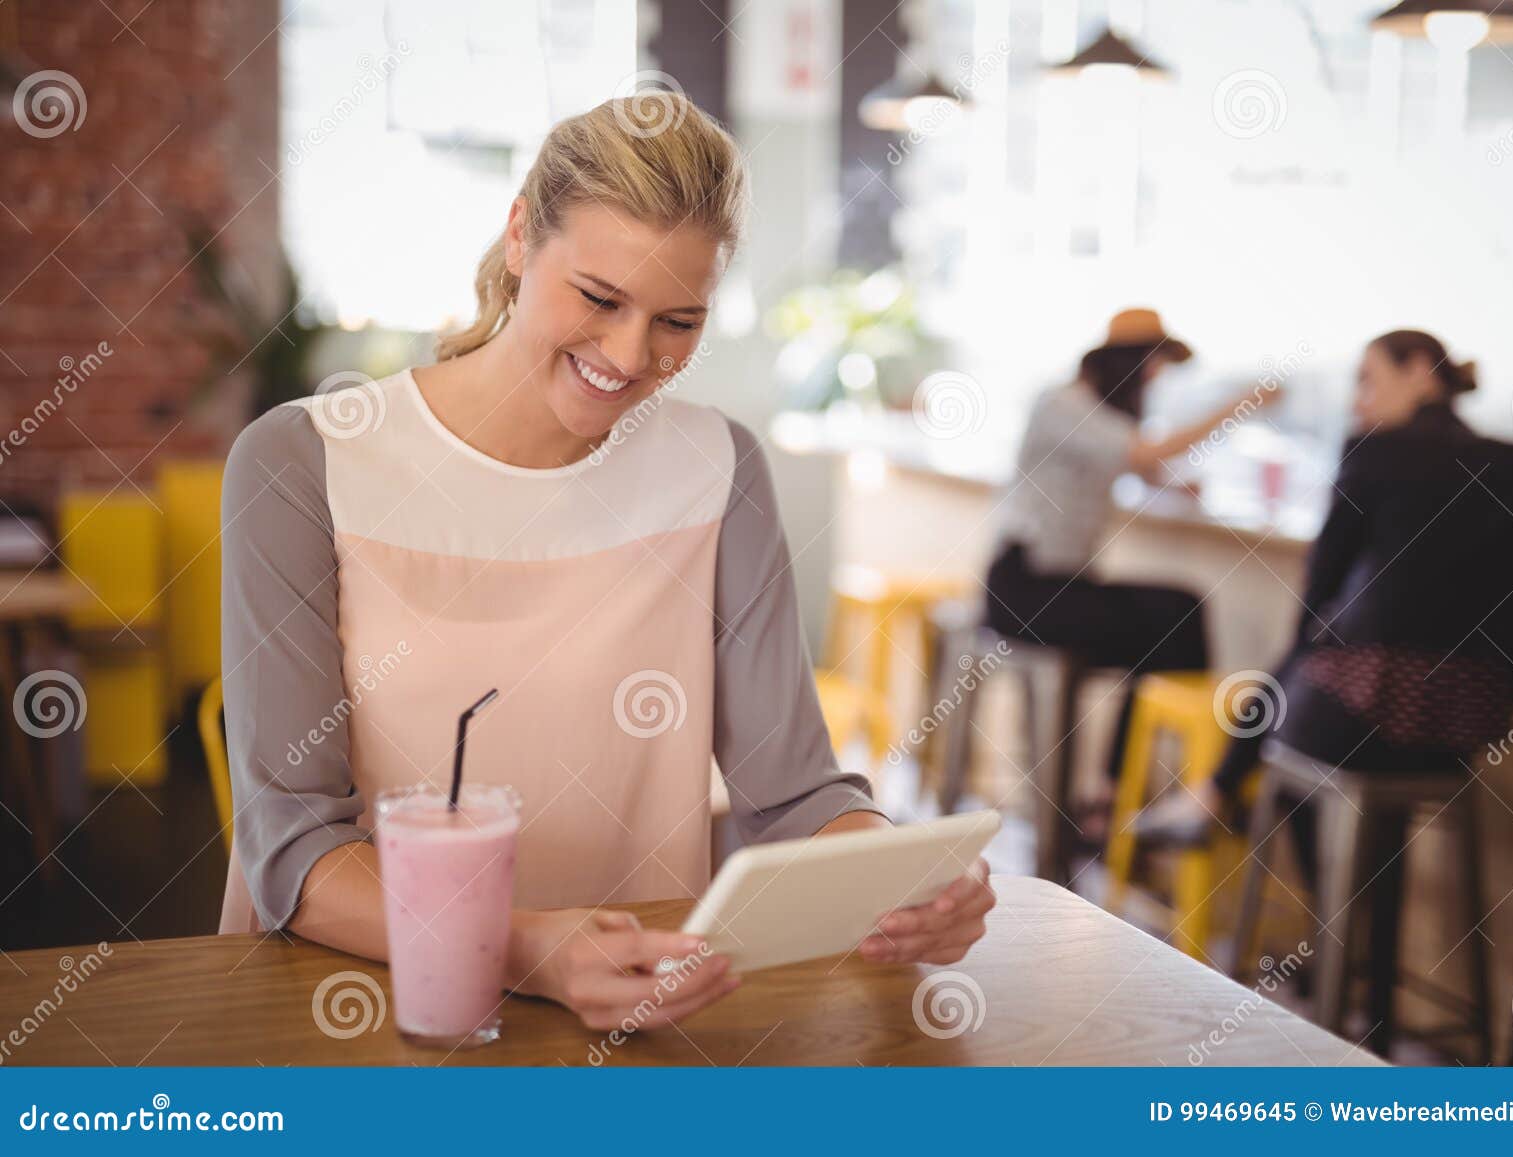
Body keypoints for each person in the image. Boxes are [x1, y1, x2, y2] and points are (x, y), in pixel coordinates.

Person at [218, 93, 995, 1033]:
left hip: (641, 1017)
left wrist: (895, 879)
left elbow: (793, 794)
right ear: (518, 237)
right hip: (364, 1006)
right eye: (599, 298)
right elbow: (293, 847)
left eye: (679, 320)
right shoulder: (308, 461)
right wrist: (528, 946)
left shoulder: (718, 469)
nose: (631, 356)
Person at [1136, 329, 1513, 847]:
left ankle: (1243, 826)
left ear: (1419, 371)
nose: (1359, 401)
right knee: (1321, 699)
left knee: (1294, 702)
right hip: (1471, 722)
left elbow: (1317, 599)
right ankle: (1228, 809)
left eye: (1368, 381)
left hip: (1368, 710)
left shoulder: (1375, 451)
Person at [983, 309, 1280, 812]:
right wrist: (1241, 405)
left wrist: (1177, 484)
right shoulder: (1062, 404)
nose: (1154, 380)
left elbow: (1140, 467)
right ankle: (1128, 794)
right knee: (1176, 617)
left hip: (1064, 586)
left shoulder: (1099, 418)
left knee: (1177, 616)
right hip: (1024, 591)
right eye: (1151, 368)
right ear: (1124, 363)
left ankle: (1119, 791)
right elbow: (1145, 455)